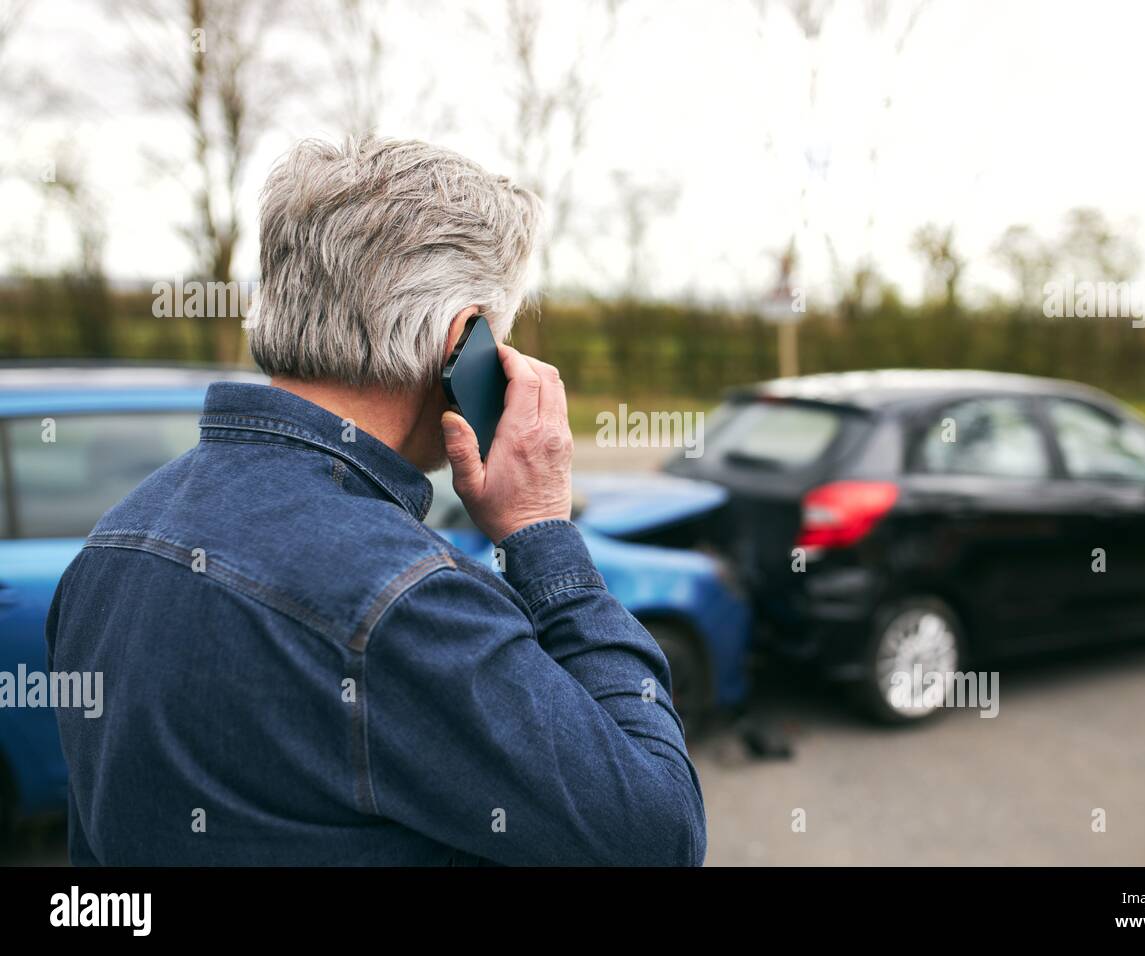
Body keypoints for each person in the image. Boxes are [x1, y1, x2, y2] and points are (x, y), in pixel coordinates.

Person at [45, 137, 706, 866]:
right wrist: (542, 529)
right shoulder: (407, 603)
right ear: (465, 344)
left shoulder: (112, 543)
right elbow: (660, 834)